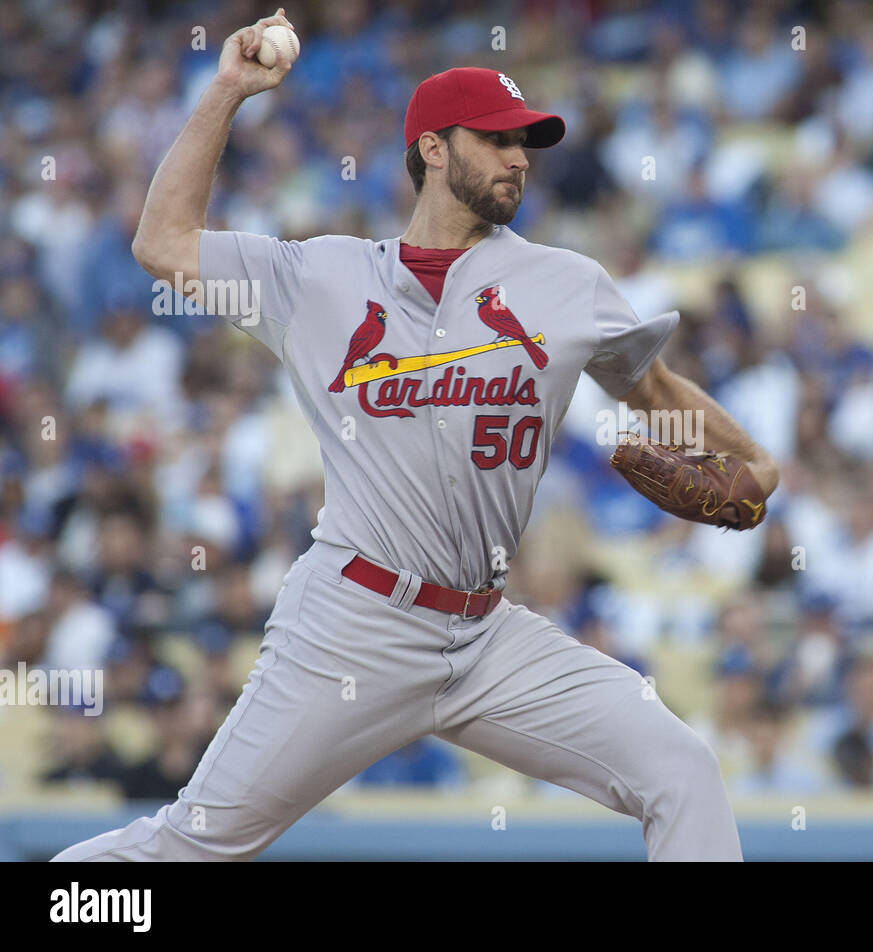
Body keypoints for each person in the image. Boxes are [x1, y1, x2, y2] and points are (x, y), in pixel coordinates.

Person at [53, 9, 778, 863]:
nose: (519, 157)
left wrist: (752, 460)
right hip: (354, 621)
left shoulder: (565, 284)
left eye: (528, 143)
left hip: (487, 634)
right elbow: (164, 243)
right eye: (499, 138)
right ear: (433, 148)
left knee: (683, 770)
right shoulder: (320, 276)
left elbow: (654, 388)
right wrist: (227, 92)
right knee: (192, 844)